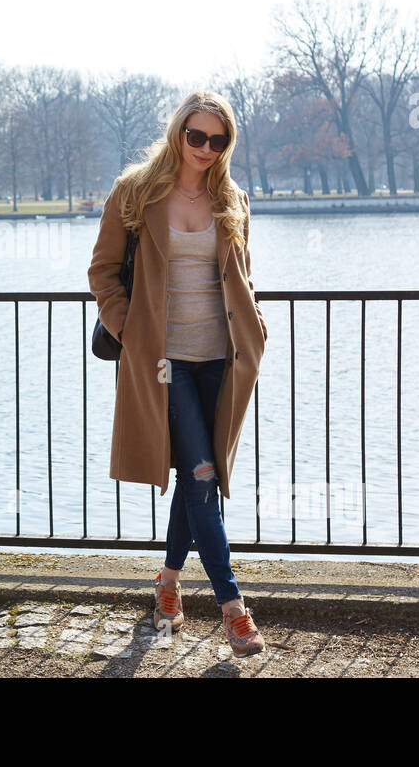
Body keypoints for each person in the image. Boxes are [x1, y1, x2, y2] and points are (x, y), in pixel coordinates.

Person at [87, 89, 269, 659]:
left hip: (223, 360)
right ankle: (234, 610)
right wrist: (133, 332)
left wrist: (256, 327)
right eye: (197, 136)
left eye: (218, 140)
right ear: (178, 133)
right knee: (199, 469)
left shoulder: (232, 199)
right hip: (163, 363)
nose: (206, 149)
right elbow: (102, 273)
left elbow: (241, 277)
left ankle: (168, 582)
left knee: (198, 480)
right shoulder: (137, 191)